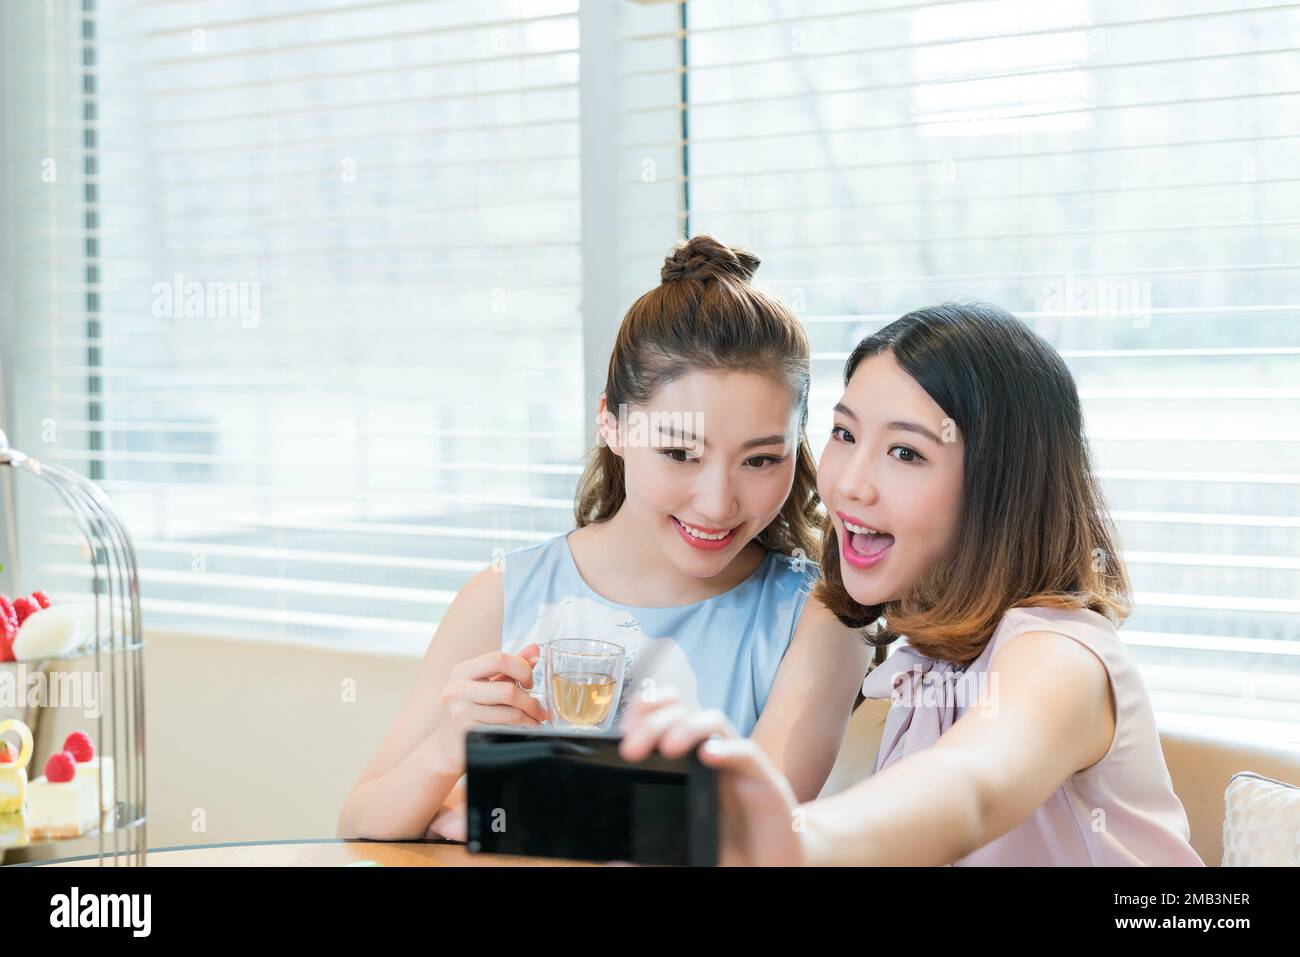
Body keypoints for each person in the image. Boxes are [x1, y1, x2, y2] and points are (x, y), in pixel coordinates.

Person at [620, 302, 1205, 866]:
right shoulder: (928, 660)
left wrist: (793, 840)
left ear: (999, 488)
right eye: (844, 434)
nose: (848, 484)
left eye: (905, 452)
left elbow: (969, 787)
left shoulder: (1060, 655)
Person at [337, 236, 870, 841]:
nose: (718, 503)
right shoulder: (505, 594)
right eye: (679, 453)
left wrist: (499, 812)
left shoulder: (821, 616)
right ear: (611, 424)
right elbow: (360, 824)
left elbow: (744, 830)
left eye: (760, 460)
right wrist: (443, 753)